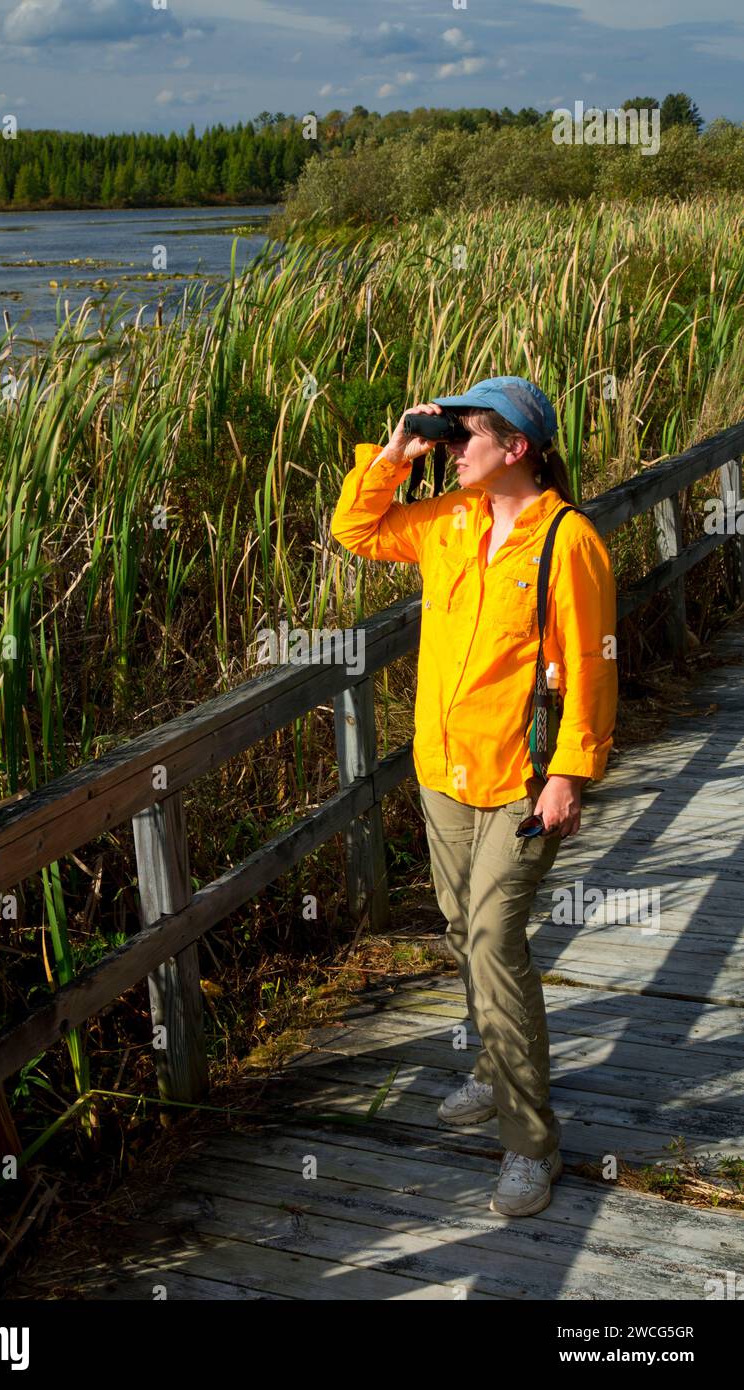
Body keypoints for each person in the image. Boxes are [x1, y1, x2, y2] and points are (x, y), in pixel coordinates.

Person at [330, 376, 617, 1217]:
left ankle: (532, 1145)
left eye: (466, 437)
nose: (453, 449)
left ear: (516, 448)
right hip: (442, 767)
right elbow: (355, 529)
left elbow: (592, 664)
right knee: (463, 927)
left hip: (522, 776)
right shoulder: (450, 520)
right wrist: (397, 451)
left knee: (492, 938)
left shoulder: (567, 540)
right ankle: (494, 1064)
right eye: (448, 437)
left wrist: (570, 774)